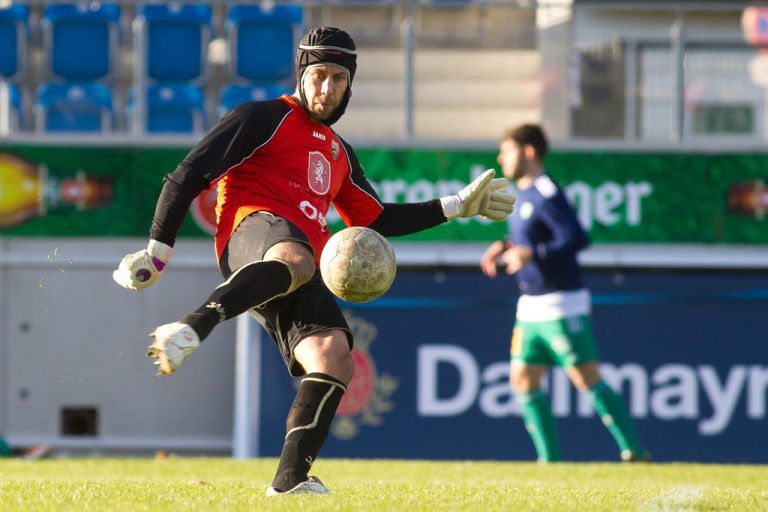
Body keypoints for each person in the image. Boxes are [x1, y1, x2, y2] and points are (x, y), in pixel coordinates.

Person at [113, 27, 515, 495]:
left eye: (339, 79)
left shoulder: (340, 153)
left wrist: (455, 206)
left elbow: (377, 218)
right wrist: (157, 253)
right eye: (319, 75)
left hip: (295, 257)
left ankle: (289, 484)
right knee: (299, 259)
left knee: (335, 358)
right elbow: (187, 176)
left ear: (350, 85)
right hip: (252, 233)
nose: (327, 88)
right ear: (302, 74)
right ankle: (190, 328)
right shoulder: (261, 117)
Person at [480, 124, 649, 463]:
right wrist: (506, 246)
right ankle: (549, 460)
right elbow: (535, 239)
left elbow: (576, 238)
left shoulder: (546, 192)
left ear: (529, 152)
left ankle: (633, 450)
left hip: (561, 303)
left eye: (508, 150)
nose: (501, 157)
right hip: (530, 306)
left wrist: (531, 254)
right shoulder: (524, 193)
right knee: (522, 379)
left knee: (585, 379)